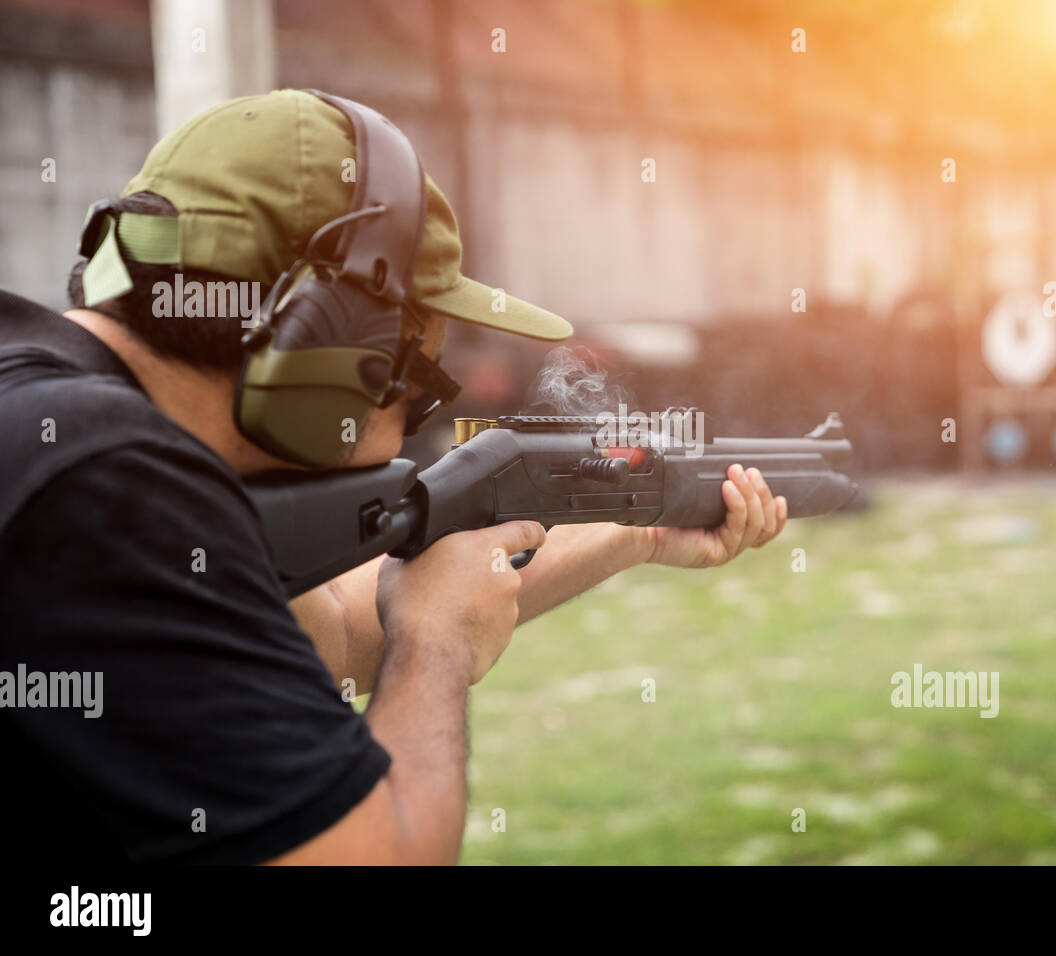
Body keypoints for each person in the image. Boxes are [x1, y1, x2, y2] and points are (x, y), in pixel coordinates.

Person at [0, 89, 787, 864]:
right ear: (331, 351)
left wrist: (634, 528)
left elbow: (328, 635)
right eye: (419, 386)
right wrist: (436, 644)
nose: (418, 415)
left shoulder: (56, 424)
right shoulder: (106, 482)